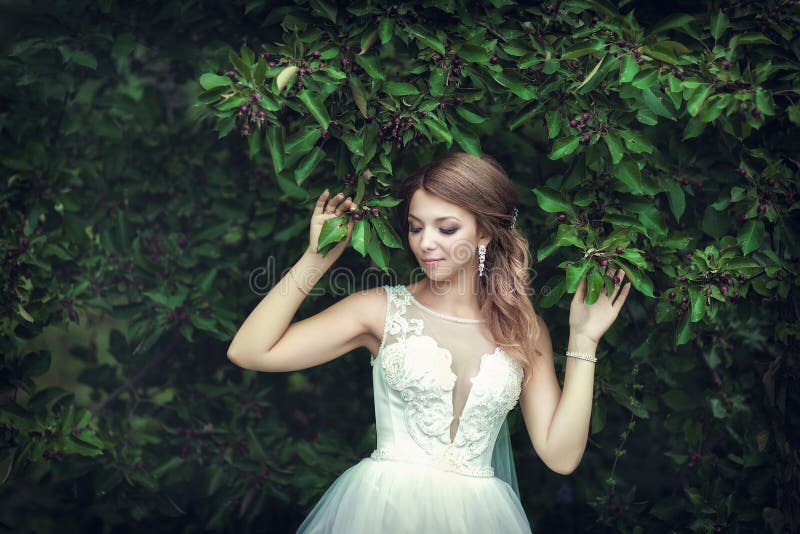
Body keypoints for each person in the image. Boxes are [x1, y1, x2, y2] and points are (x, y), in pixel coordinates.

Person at [226, 151, 632, 533]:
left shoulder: (522, 330)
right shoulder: (378, 310)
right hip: (382, 512)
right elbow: (249, 351)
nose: (425, 243)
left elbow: (561, 457)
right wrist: (317, 258)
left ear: (485, 233)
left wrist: (584, 339)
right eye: (416, 227)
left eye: (447, 228)